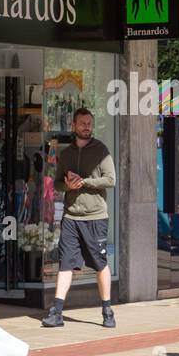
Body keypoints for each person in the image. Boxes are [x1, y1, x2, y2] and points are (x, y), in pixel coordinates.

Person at [42, 108, 117, 329]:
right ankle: (57, 312)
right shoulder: (65, 154)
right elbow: (56, 183)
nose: (87, 127)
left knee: (100, 264)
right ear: (73, 125)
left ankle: (107, 310)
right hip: (71, 216)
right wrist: (68, 185)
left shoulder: (101, 150)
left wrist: (85, 182)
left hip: (95, 217)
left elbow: (110, 179)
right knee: (65, 264)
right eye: (82, 123)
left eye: (89, 123)